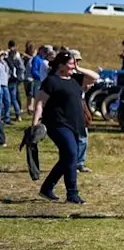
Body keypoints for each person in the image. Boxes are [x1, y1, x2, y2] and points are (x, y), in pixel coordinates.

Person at [30, 50, 98, 203]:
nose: (73, 67)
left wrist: (78, 69)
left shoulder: (75, 78)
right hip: (57, 124)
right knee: (72, 155)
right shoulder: (51, 81)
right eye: (70, 64)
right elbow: (40, 103)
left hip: (75, 124)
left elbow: (95, 77)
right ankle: (72, 194)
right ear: (60, 65)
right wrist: (34, 125)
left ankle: (47, 188)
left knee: (67, 158)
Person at [68, 49, 94, 173]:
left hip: (81, 105)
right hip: (69, 107)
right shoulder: (66, 74)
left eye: (78, 60)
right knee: (72, 137)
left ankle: (80, 163)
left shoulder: (79, 74)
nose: (77, 62)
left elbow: (94, 78)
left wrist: (86, 89)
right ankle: (72, 163)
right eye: (75, 60)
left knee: (83, 136)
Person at [6, 41, 24, 120]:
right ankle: (18, 113)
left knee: (12, 97)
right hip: (15, 78)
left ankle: (16, 113)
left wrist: (18, 76)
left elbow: (20, 67)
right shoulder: (16, 54)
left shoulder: (11, 55)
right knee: (14, 97)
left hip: (12, 79)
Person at [27, 45, 49, 111]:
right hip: (38, 81)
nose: (44, 52)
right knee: (38, 97)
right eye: (43, 50)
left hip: (44, 81)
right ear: (40, 51)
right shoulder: (37, 58)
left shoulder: (44, 59)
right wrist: (41, 78)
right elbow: (34, 70)